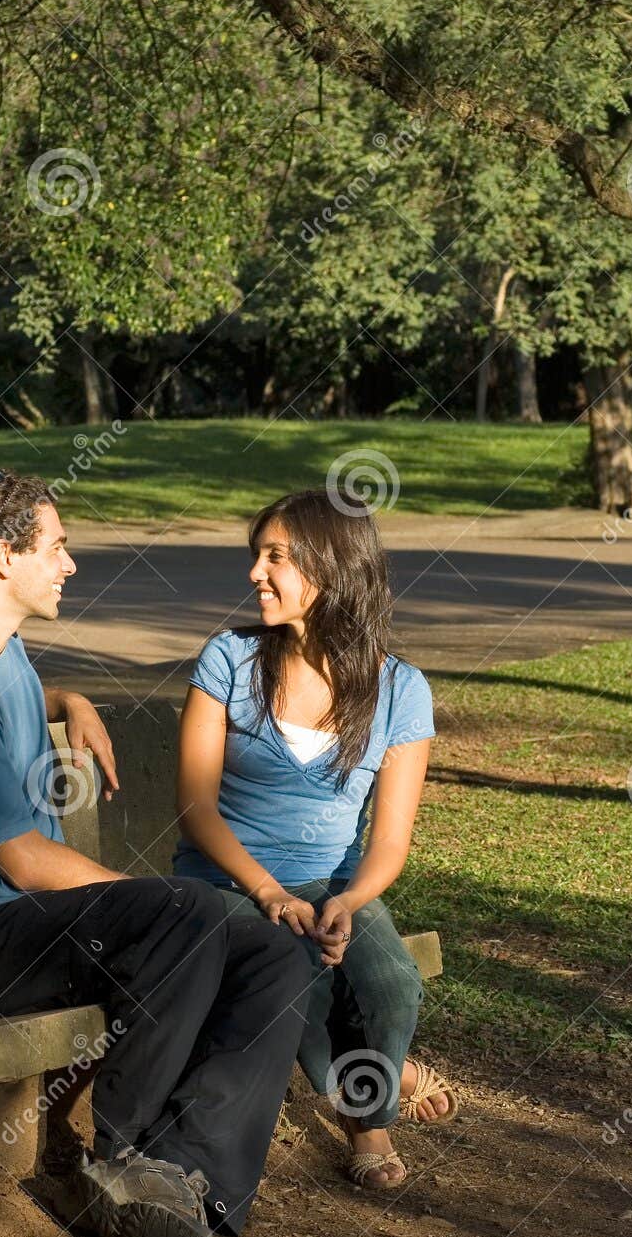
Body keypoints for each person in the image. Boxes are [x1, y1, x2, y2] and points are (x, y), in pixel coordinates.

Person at [0, 467, 311, 1237]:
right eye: (57, 547)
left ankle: (188, 1172)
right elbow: (22, 861)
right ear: (6, 557)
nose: (69, 564)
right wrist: (168, 903)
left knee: (277, 955)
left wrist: (71, 700)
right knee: (190, 914)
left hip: (26, 930)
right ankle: (118, 1160)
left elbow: (8, 694)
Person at [174, 488, 459, 1192]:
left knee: (391, 984)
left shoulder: (400, 691)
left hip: (328, 883)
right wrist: (267, 892)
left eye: (275, 557)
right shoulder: (229, 661)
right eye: (256, 556)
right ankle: (371, 1121)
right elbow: (194, 807)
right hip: (226, 883)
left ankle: (379, 1078)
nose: (254, 574)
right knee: (291, 971)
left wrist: (350, 901)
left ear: (331, 570)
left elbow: (390, 837)